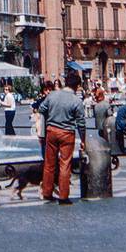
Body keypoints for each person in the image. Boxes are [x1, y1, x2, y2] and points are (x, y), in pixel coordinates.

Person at [39, 69, 86, 204]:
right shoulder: (76, 101)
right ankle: (63, 196)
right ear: (77, 86)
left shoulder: (52, 95)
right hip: (67, 134)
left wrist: (50, 118)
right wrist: (83, 140)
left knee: (49, 163)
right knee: (65, 164)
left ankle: (47, 193)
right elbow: (81, 123)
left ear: (65, 82)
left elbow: (42, 109)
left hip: (51, 131)